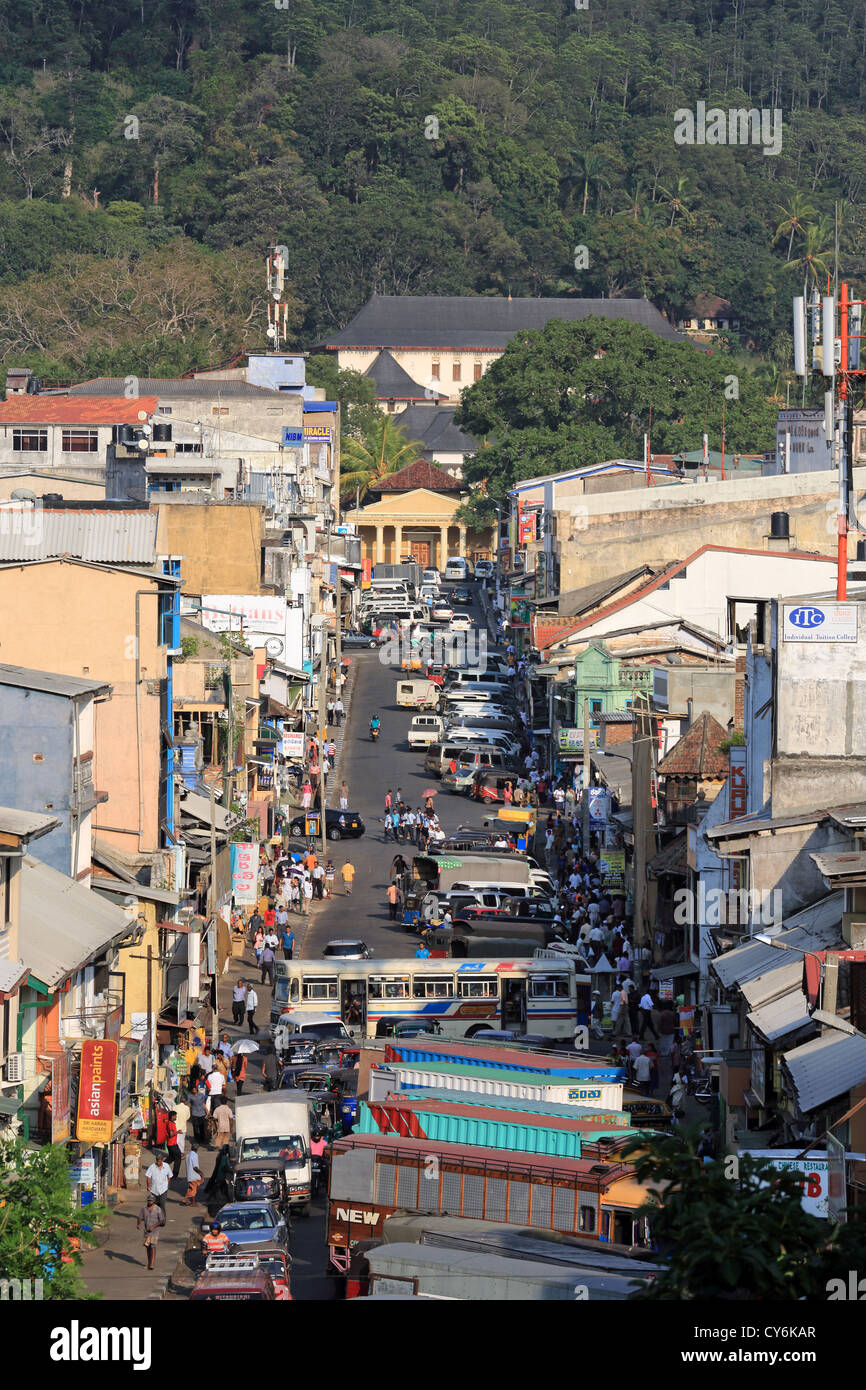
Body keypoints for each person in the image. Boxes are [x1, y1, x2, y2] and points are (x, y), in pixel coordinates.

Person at [137, 1194, 166, 1271]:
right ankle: (149, 1263)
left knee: (153, 1246)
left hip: (154, 1232)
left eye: (151, 1200)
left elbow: (162, 1220)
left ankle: (152, 1264)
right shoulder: (144, 1209)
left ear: (154, 1201)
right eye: (149, 1200)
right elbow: (140, 1217)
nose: (150, 1202)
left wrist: (154, 1226)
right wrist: (138, 1224)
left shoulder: (158, 1209)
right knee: (148, 1247)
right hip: (146, 1231)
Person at [164, 1110, 183, 1179]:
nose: (176, 1117)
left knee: (171, 1158)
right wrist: (177, 1132)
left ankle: (160, 1167)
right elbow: (171, 1134)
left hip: (172, 1144)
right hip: (172, 1144)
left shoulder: (170, 1123)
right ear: (172, 1117)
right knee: (178, 1158)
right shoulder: (171, 1124)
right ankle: (175, 1175)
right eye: (175, 1116)